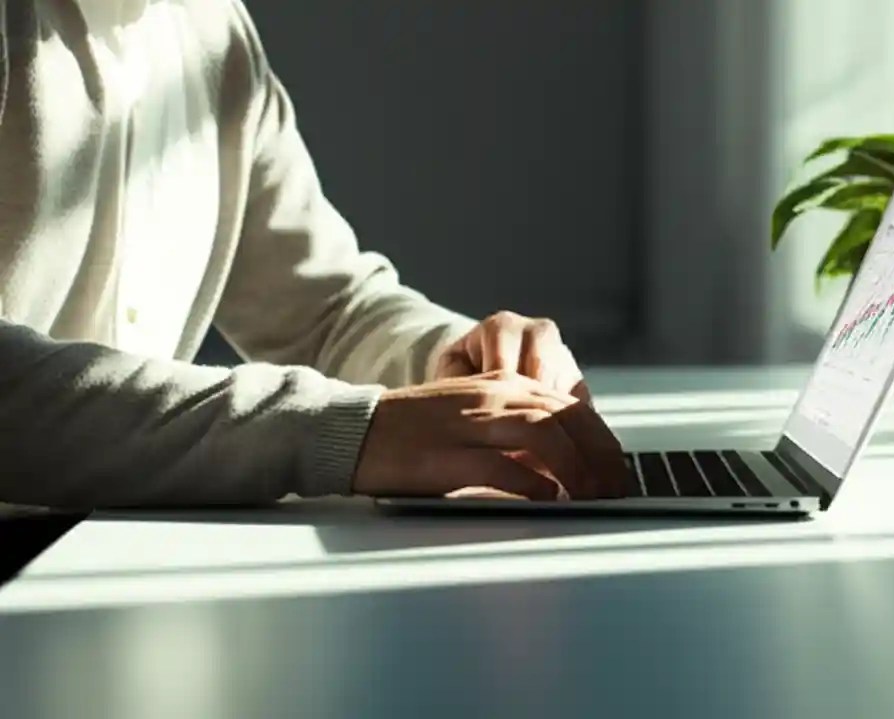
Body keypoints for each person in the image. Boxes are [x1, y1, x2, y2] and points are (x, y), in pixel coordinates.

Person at [0, 0, 627, 508]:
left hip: (113, 567)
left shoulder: (212, 30)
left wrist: (452, 358)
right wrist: (337, 429)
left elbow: (327, 310)